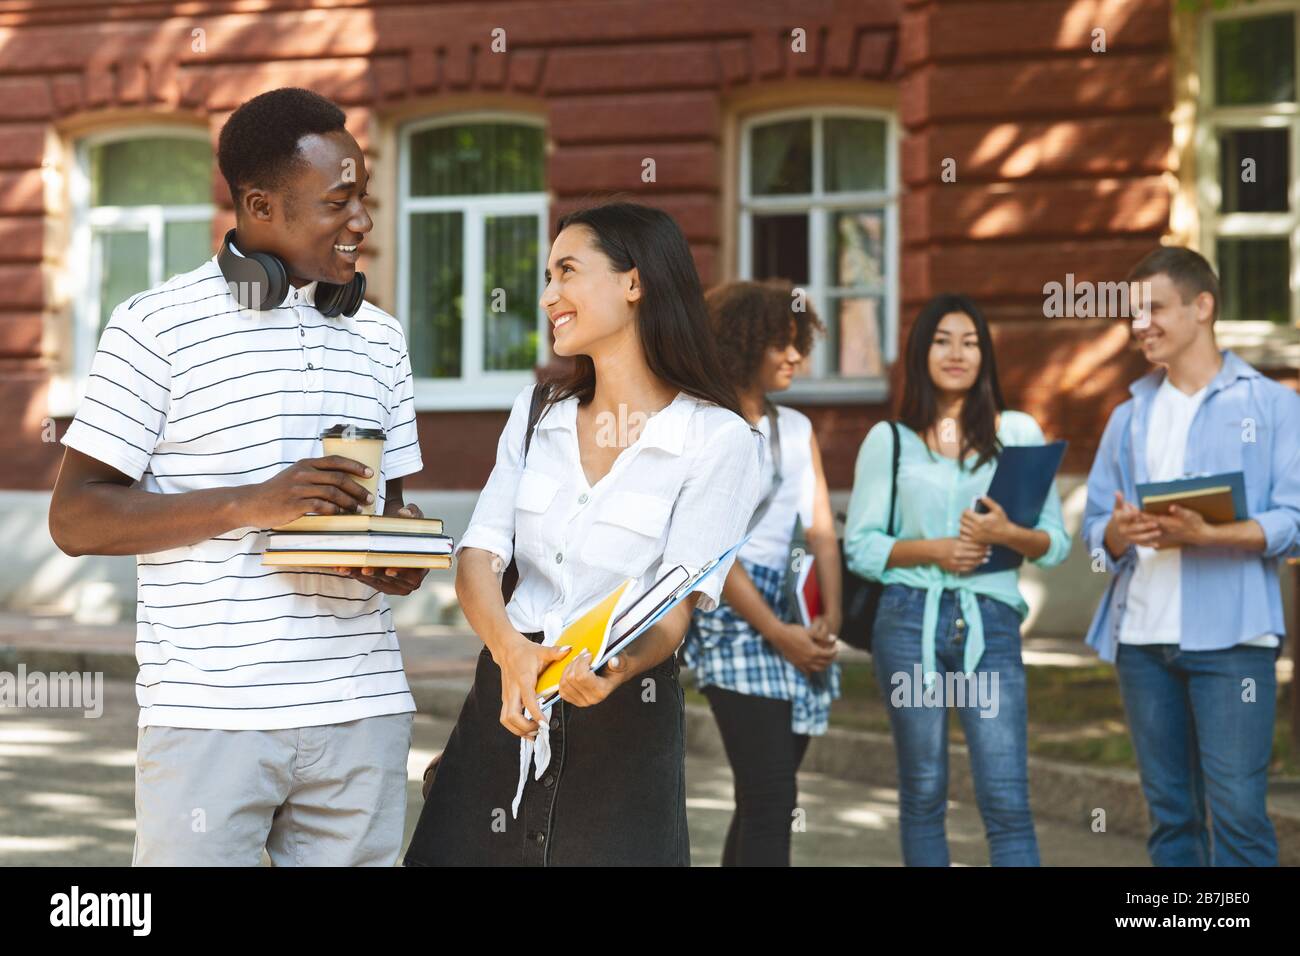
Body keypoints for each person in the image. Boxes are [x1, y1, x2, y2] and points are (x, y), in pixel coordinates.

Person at [48, 88, 428, 866]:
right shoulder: (154, 327)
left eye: (366, 198)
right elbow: (76, 518)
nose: (362, 220)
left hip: (362, 711)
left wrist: (395, 557)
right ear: (260, 204)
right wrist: (252, 504)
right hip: (211, 716)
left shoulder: (382, 338)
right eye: (339, 201)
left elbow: (391, 508)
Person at [403, 202, 762, 866]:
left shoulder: (718, 440)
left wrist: (624, 665)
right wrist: (510, 651)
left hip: (621, 721)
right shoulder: (537, 412)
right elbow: (479, 553)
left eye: (567, 271)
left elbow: (677, 607)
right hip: (505, 700)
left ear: (634, 282)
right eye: (545, 276)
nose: (548, 296)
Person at [1083, 246, 1300, 867]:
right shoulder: (1127, 417)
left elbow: (1295, 520)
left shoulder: (1273, 406)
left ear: (1202, 307)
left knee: (1238, 819)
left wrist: (1213, 537)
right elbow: (1096, 527)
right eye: (1132, 313)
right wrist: (1119, 533)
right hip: (1142, 642)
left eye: (1153, 309)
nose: (1138, 325)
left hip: (1233, 642)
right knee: (1171, 820)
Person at [844, 293, 1071, 866]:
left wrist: (1004, 535)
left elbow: (1054, 544)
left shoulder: (1017, 431)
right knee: (923, 792)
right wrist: (938, 550)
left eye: (971, 343)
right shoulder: (889, 439)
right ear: (921, 352)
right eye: (943, 340)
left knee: (1005, 797)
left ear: (985, 356)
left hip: (990, 622)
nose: (957, 353)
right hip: (906, 621)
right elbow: (861, 545)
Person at [680, 279, 841, 866]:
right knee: (773, 794)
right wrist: (778, 633)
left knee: (760, 799)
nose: (797, 356)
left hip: (795, 609)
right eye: (783, 343)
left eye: (801, 342)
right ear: (743, 345)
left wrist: (830, 617)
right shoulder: (704, 427)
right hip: (731, 611)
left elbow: (821, 529)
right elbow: (716, 548)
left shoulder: (794, 427)